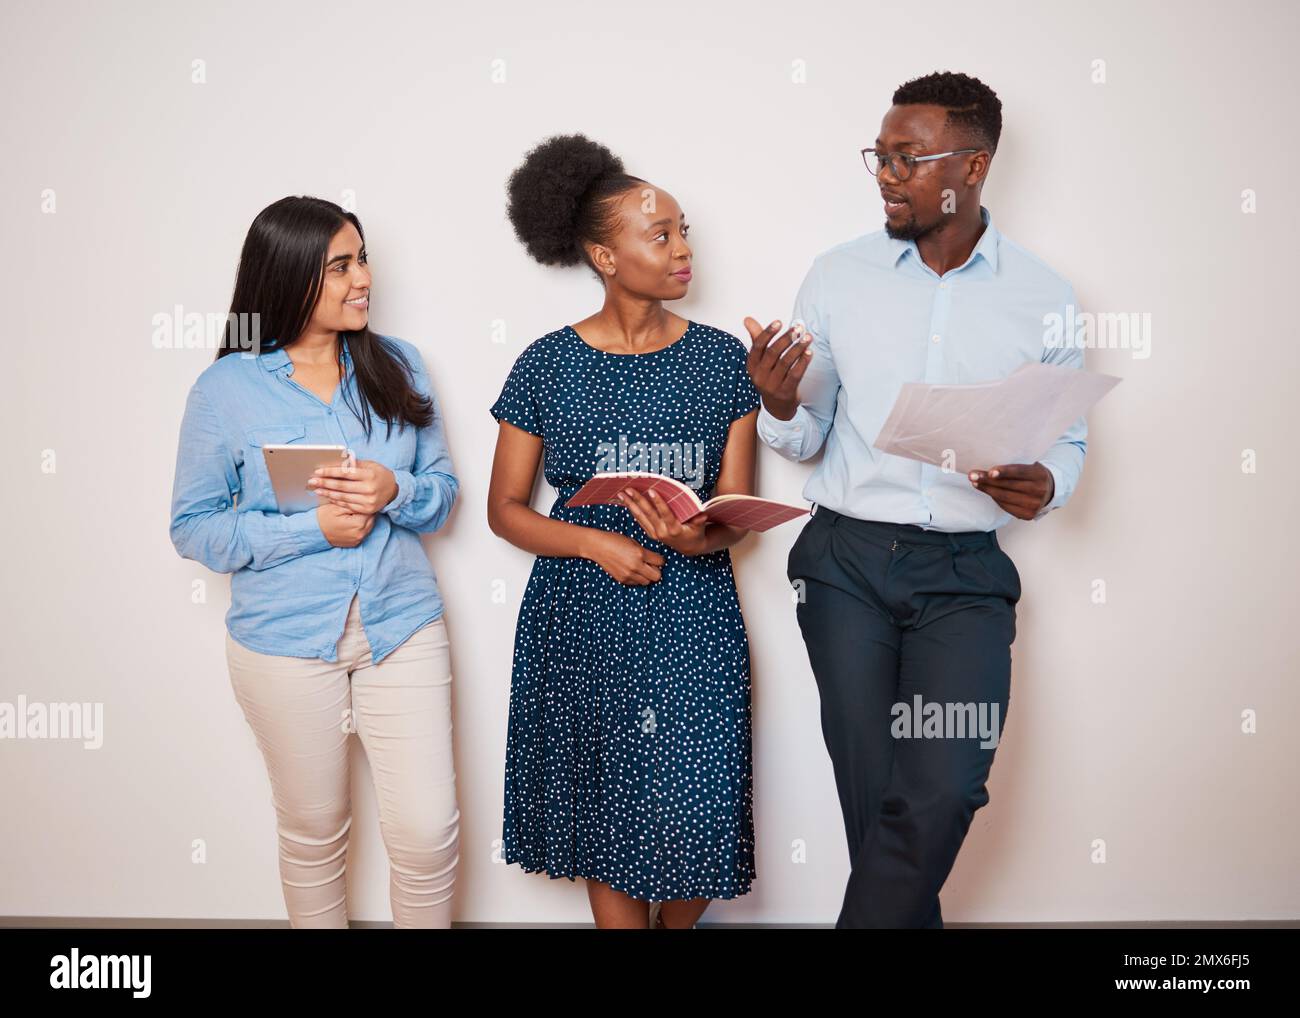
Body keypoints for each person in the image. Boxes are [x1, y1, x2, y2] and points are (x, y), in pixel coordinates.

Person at [746, 71, 1088, 928]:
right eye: (881, 156)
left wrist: (1046, 485)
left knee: (942, 789)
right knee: (875, 800)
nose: (887, 175)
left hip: (965, 575)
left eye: (909, 157)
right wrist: (780, 407)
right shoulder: (836, 276)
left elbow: (1068, 442)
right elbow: (805, 435)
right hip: (844, 565)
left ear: (972, 167)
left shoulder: (1044, 296)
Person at [487, 134, 761, 929]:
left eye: (684, 233)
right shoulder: (546, 364)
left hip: (693, 613)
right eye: (661, 234)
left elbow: (736, 510)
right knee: (602, 791)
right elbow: (508, 510)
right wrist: (597, 542)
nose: (682, 250)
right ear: (605, 256)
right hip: (582, 613)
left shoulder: (722, 361)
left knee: (698, 790)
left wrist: (696, 536)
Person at [168, 196, 460, 928]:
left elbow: (445, 497)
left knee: (427, 834)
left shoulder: (400, 365)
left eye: (363, 258)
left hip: (403, 627)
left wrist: (398, 489)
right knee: (314, 834)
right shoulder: (225, 390)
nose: (363, 278)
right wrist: (311, 531)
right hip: (283, 642)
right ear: (292, 276)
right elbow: (194, 527)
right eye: (340, 266)